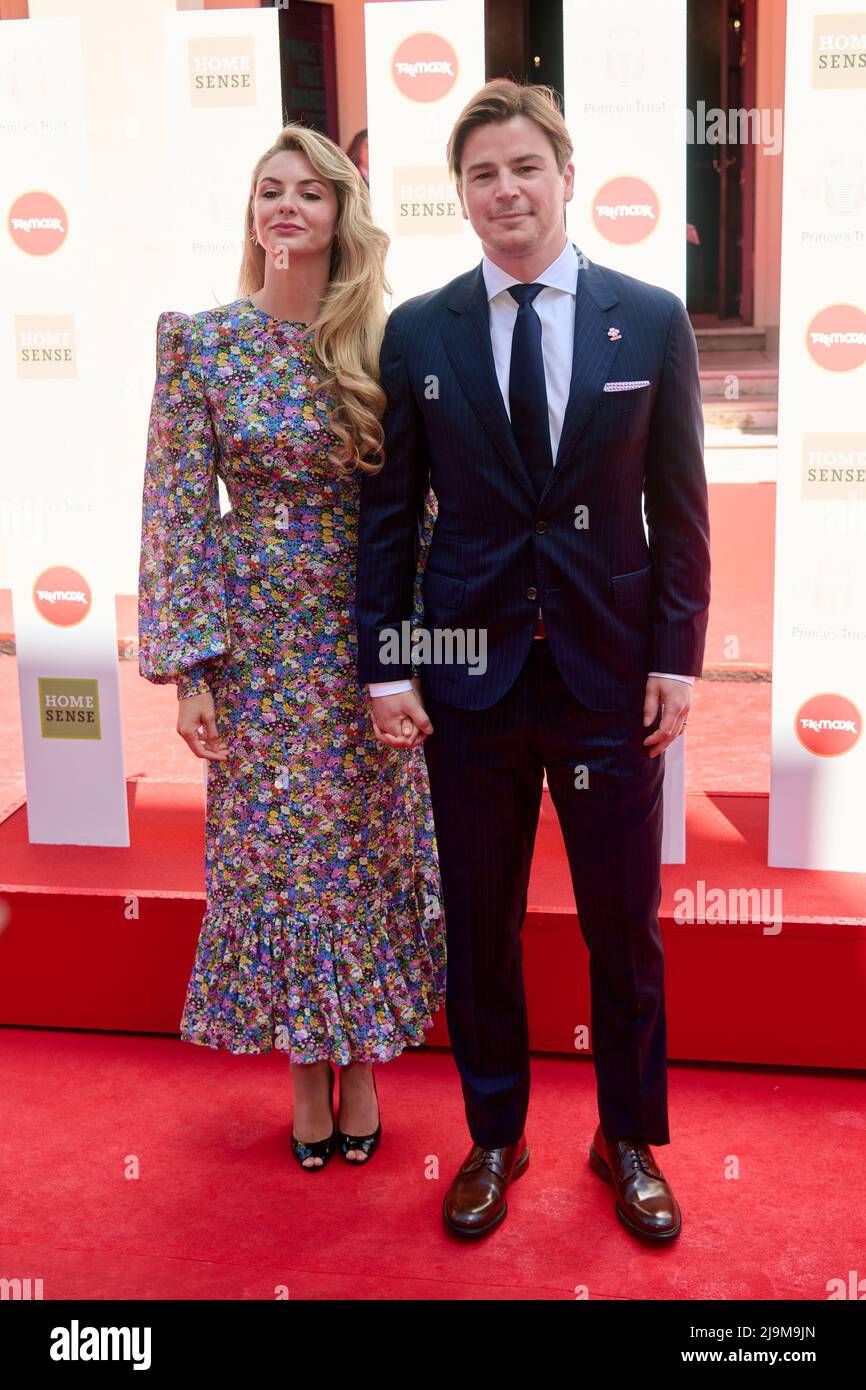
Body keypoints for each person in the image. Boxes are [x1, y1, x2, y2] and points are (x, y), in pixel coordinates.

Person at [355, 80, 711, 1238]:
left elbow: (677, 506)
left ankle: (628, 1138)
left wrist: (679, 658)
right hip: (467, 678)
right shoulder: (420, 331)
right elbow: (391, 518)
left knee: (623, 924)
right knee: (480, 920)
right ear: (457, 196)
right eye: (479, 176)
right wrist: (388, 664)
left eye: (522, 169)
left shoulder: (648, 316)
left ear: (564, 173)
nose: (503, 192)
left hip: (609, 678)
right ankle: (494, 1135)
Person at [138, 124, 445, 1172]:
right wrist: (189, 671)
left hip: (363, 639)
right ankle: (304, 1072)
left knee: (363, 847)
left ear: (338, 216)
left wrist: (416, 648)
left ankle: (361, 1058)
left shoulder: (385, 343)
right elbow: (177, 511)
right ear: (251, 213)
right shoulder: (200, 341)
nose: (285, 208)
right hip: (256, 647)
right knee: (275, 860)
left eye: (308, 194)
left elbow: (422, 508)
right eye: (269, 190)